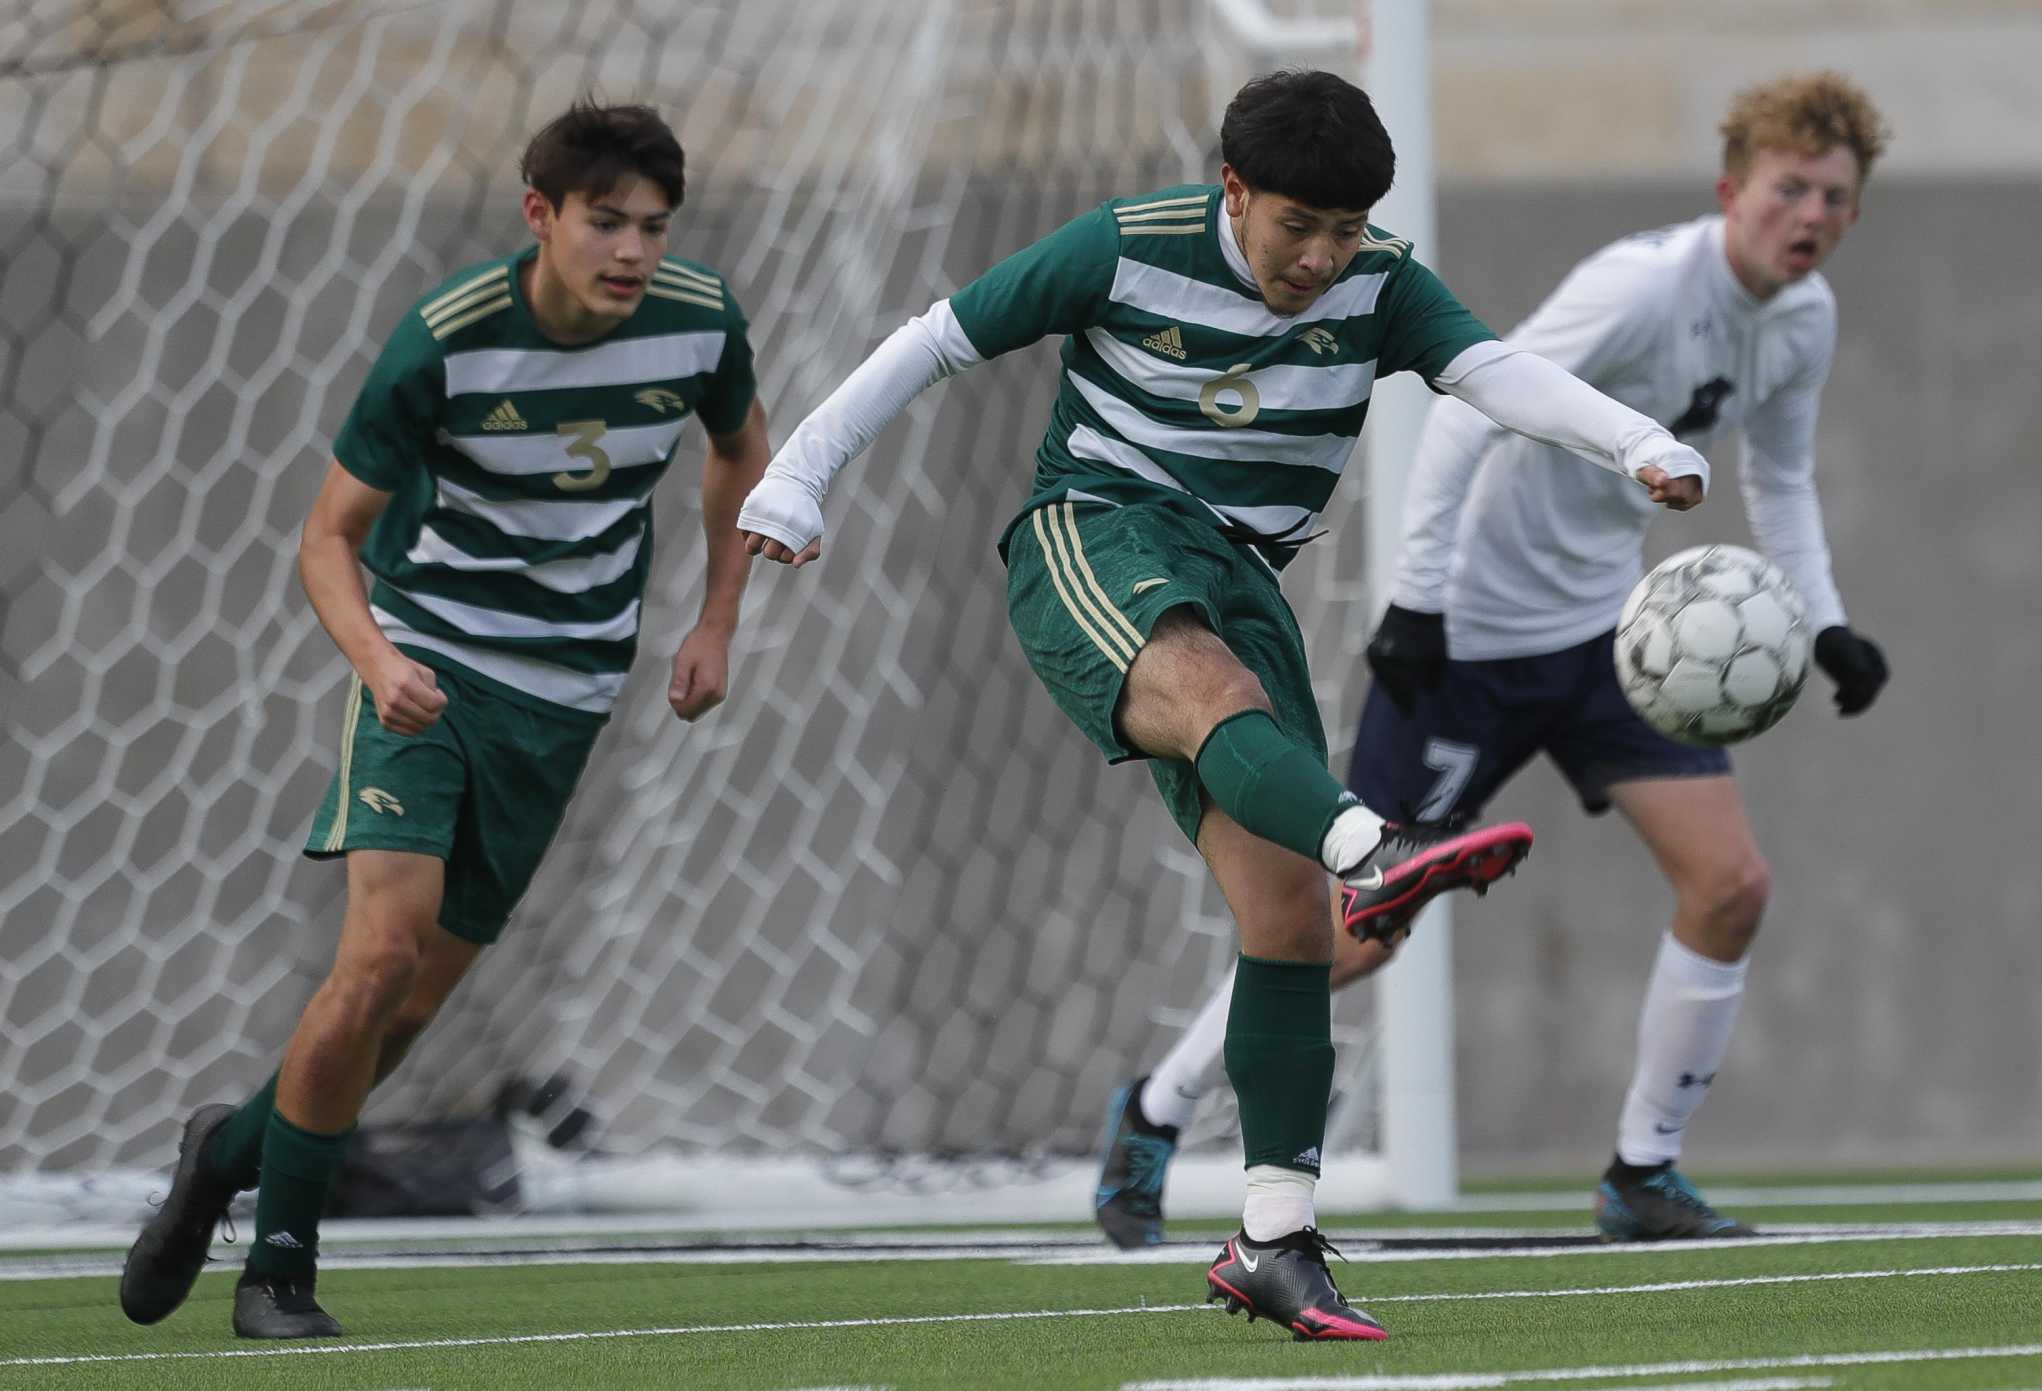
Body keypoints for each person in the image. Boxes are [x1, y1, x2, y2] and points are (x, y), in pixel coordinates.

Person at [739, 69, 1710, 1341]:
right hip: (1098, 529)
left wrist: (1636, 439)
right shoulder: (1124, 246)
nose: (1317, 259)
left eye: (1344, 231)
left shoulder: (1382, 279)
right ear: (1232, 191)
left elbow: (1493, 376)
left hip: (1242, 575)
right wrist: (797, 478)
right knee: (1216, 699)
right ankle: (1383, 846)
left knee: (1286, 919)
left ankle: (1271, 1238)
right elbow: (934, 339)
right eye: (1293, 226)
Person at [1092, 70, 1891, 1251]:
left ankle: (1641, 1172)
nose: (1808, 215)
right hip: (1461, 642)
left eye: (1831, 196)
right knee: (1349, 937)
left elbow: (1776, 475)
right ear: (1733, 188)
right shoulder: (1642, 285)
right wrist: (1414, 602)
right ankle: (1155, 1108)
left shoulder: (1802, 319)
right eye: (1787, 188)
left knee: (1730, 886)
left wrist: (1821, 621)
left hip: (1611, 643)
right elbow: (1471, 405)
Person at [118, 100, 773, 1339]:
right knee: (372, 960)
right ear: (540, 216)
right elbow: (326, 538)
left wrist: (716, 621)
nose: (632, 250)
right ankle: (279, 1270)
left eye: (652, 226)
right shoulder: (447, 339)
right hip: (427, 672)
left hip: (566, 697)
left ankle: (222, 1154)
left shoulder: (699, 322)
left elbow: (741, 454)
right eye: (604, 222)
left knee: (409, 1010)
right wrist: (375, 660)